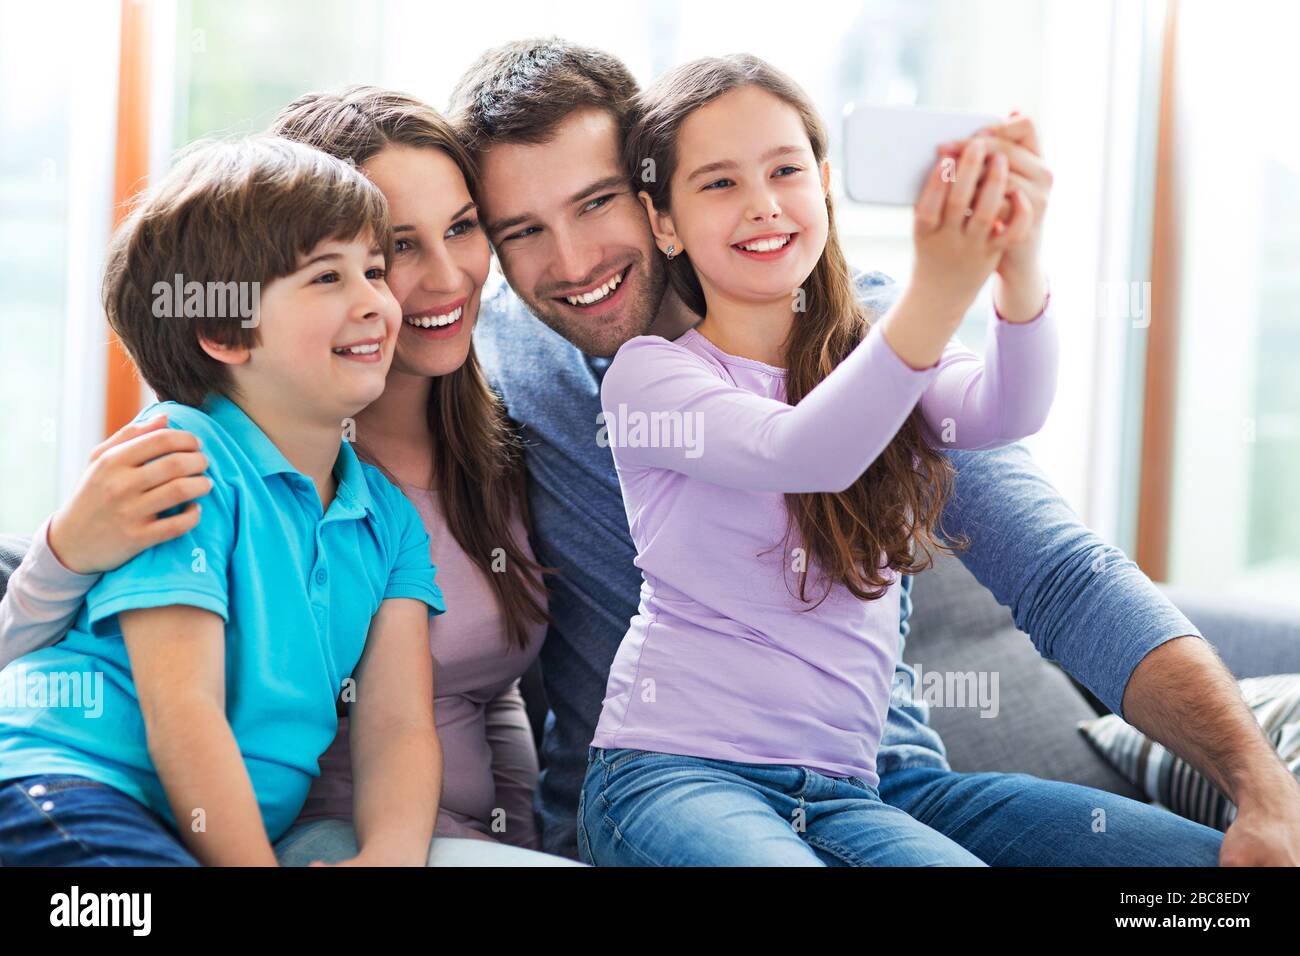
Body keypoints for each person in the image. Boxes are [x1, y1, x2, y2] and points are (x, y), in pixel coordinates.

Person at [449, 36, 1298, 865]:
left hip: (874, 786)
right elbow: (803, 449)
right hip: (676, 786)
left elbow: (1055, 553)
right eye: (520, 229)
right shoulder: (507, 369)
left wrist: (1261, 786)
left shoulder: (880, 336)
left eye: (597, 201)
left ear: (650, 193)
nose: (572, 260)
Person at [580, 52, 1057, 865]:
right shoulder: (652, 377)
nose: (763, 206)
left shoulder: (873, 360)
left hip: (842, 791)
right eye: (720, 183)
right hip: (671, 774)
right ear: (665, 224)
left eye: (784, 170)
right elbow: (801, 450)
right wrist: (939, 288)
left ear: (824, 181)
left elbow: (1008, 410)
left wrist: (1016, 263)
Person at [0, 137, 445, 865]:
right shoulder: (182, 457)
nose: (374, 302)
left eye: (372, 270)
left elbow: (396, 725)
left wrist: (389, 856)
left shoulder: (388, 520)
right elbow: (186, 714)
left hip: (216, 834)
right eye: (327, 278)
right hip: (71, 782)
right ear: (223, 330)